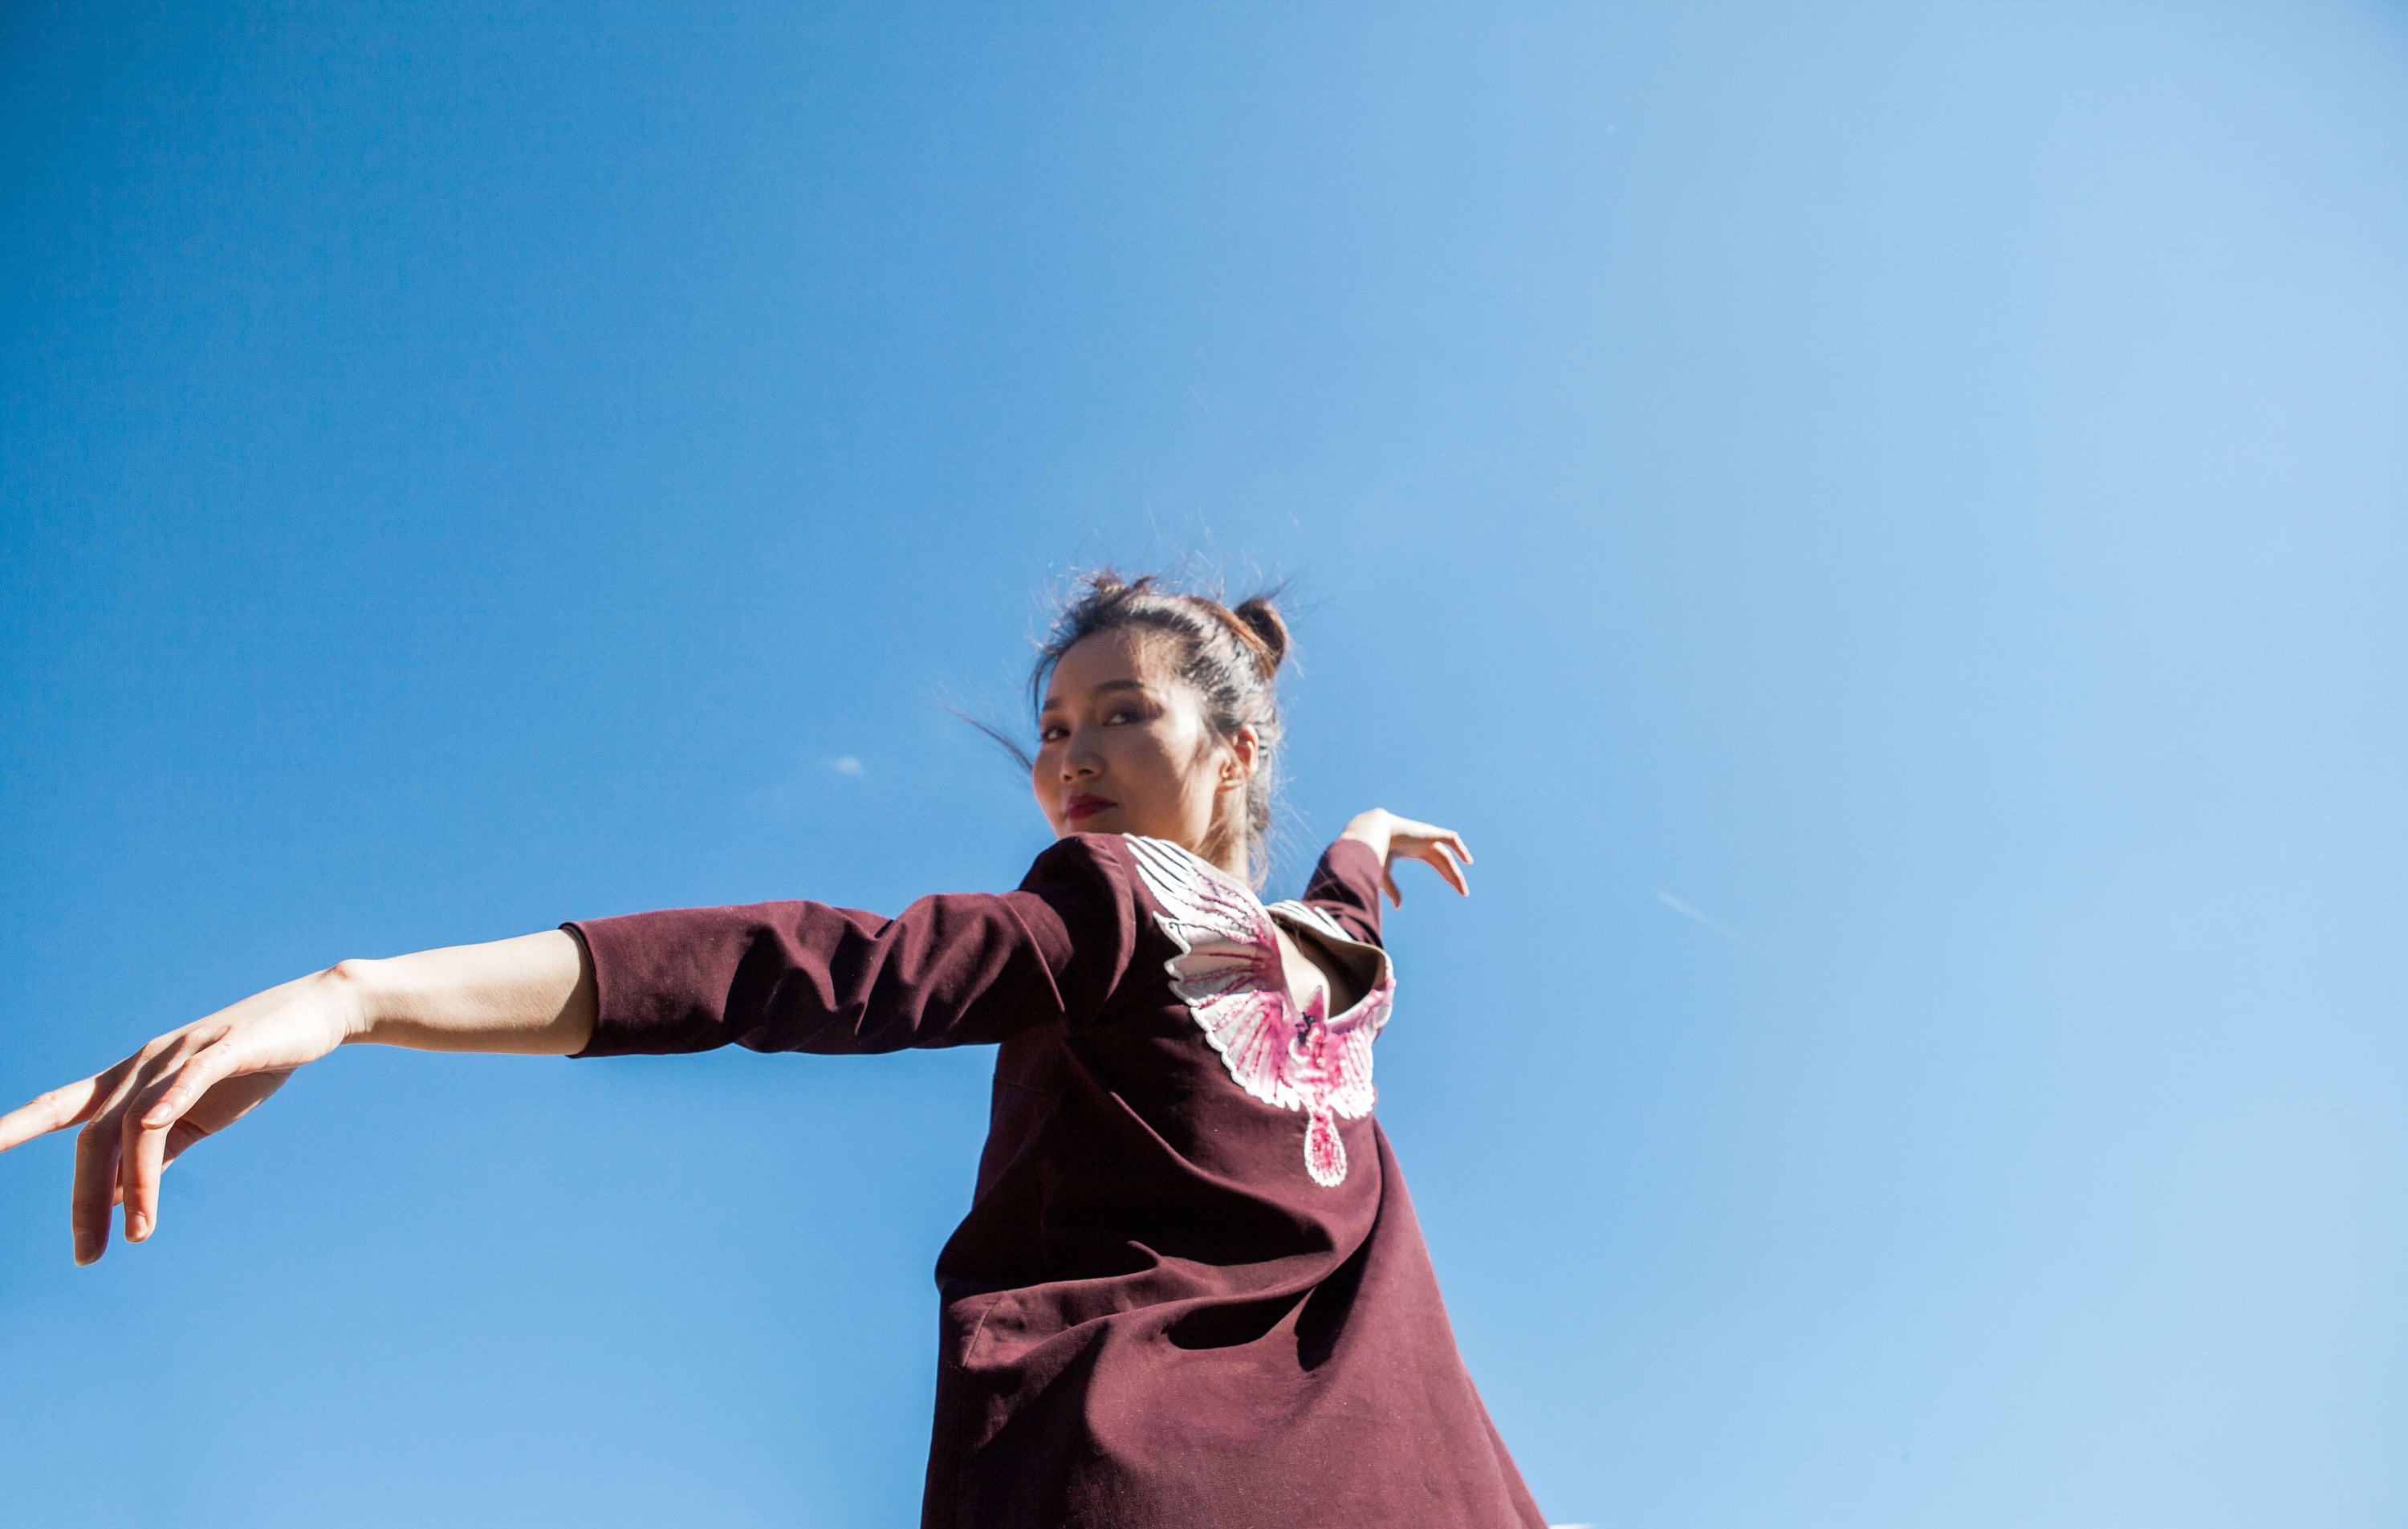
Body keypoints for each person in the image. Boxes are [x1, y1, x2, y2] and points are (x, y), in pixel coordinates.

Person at [0, 572, 1548, 1528]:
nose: (1071, 757)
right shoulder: (1302, 943)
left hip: (1153, 1477)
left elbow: (814, 966)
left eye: (1119, 715)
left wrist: (353, 993)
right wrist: (359, 994)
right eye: (1052, 728)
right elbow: (823, 965)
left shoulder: (1161, 906)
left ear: (1235, 747)